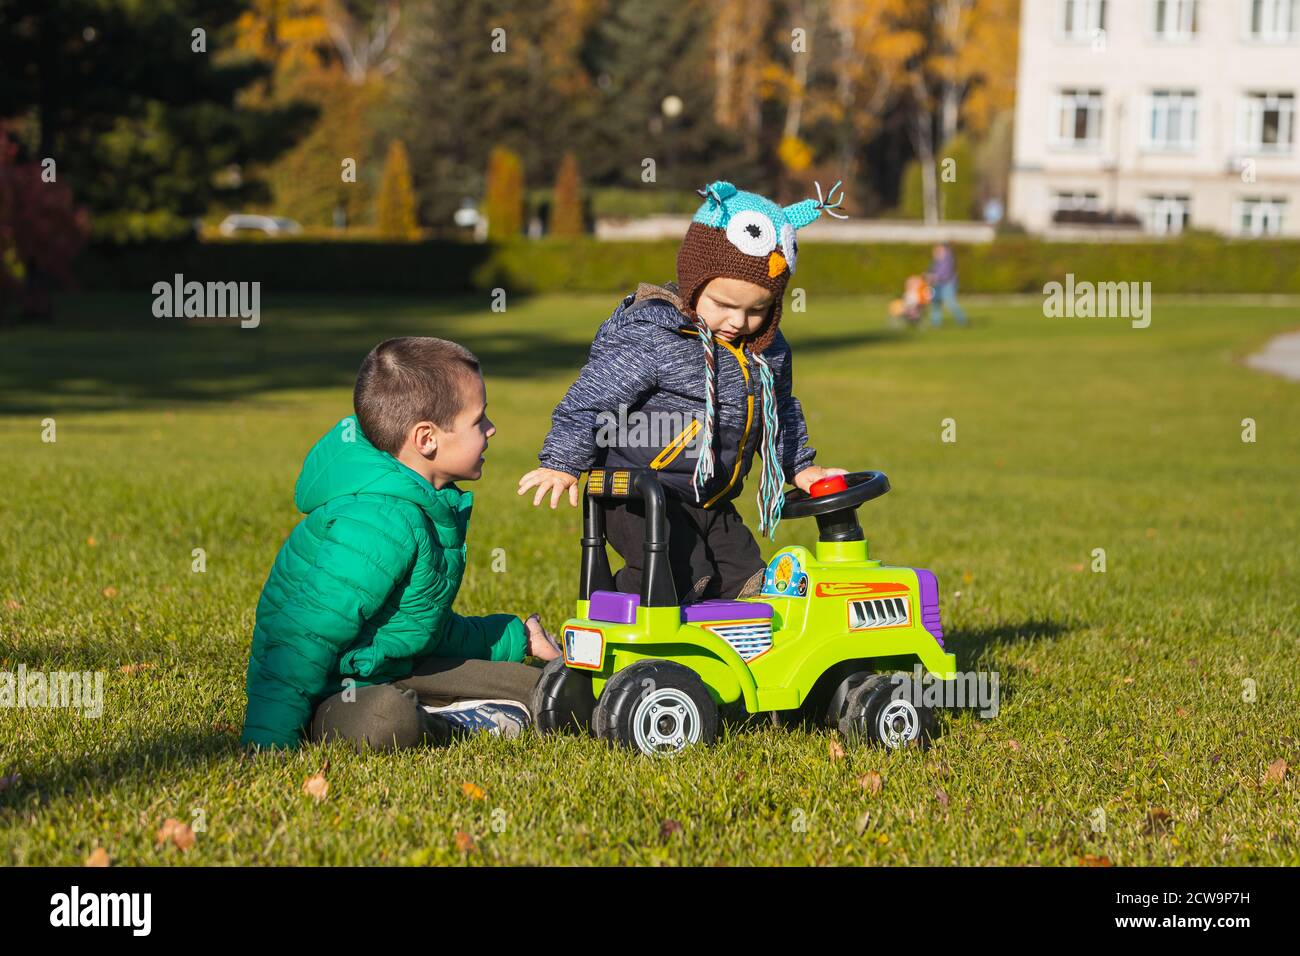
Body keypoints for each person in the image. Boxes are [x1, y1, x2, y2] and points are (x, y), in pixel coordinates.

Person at [518, 179, 848, 603]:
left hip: (709, 500)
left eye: (757, 310)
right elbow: (591, 397)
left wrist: (797, 466)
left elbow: (778, 411)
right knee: (679, 580)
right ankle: (609, 617)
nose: (739, 322)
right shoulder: (658, 335)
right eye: (724, 305)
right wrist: (562, 462)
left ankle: (722, 660)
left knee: (750, 586)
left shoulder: (767, 351)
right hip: (639, 496)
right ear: (694, 284)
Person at [240, 337, 560, 751]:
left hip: (394, 667)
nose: (492, 428)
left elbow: (417, 629)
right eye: (479, 420)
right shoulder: (377, 521)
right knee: (386, 718)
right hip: (333, 692)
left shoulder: (427, 504)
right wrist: (267, 744)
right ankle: (455, 725)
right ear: (426, 439)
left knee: (545, 693)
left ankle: (461, 708)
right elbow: (301, 641)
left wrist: (517, 636)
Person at [926, 243, 969, 327]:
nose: (937, 251)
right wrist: (928, 275)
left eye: (939, 249)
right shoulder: (936, 260)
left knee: (950, 303)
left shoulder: (948, 259)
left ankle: (962, 320)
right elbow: (931, 269)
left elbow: (946, 273)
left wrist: (934, 277)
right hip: (936, 284)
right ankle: (935, 323)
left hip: (947, 284)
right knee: (935, 303)